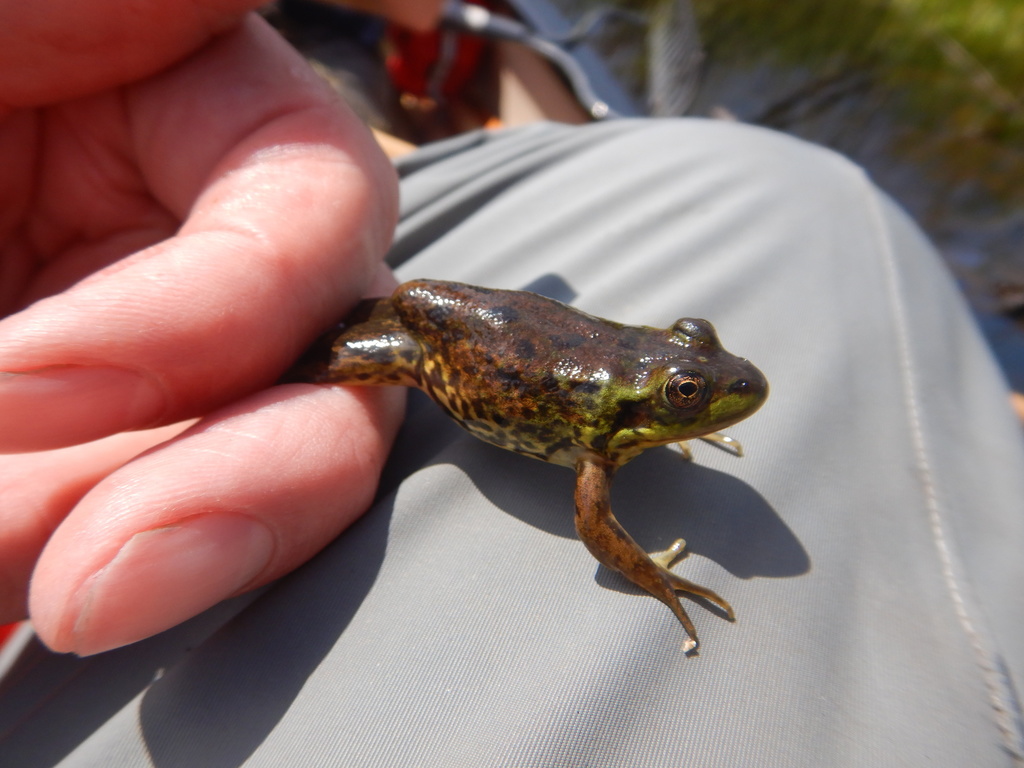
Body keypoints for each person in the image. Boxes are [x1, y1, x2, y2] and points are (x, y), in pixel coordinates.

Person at [1, 2, 1022, 766]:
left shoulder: (621, 414)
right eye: (683, 393)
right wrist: (650, 573)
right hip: (427, 335)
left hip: (498, 315)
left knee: (785, 192)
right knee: (303, 380)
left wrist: (671, 415)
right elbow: (596, 529)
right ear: (636, 401)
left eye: (688, 388)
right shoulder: (600, 442)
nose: (709, 393)